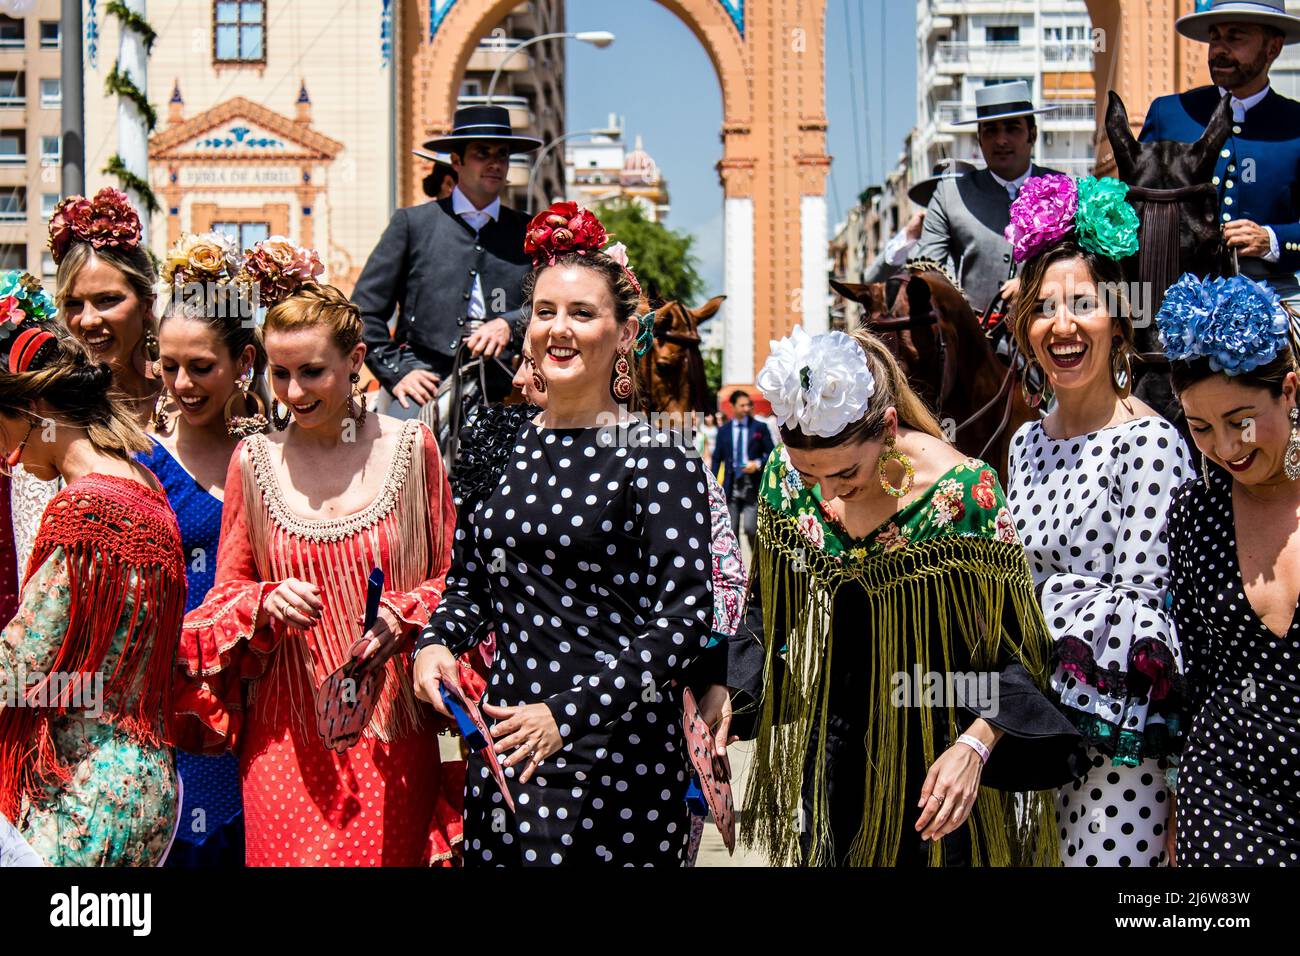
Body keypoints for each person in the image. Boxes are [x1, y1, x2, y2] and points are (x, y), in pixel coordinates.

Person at [413, 202, 714, 866]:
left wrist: (567, 715)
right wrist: (434, 647)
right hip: (507, 754)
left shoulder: (657, 457)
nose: (558, 329)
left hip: (618, 761)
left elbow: (687, 619)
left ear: (624, 332)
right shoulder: (495, 445)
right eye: (545, 312)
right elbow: (469, 588)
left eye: (582, 314)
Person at [743, 325, 1082, 867]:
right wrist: (721, 696)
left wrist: (975, 745)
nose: (826, 495)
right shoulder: (787, 478)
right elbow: (766, 612)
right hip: (835, 747)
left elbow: (1022, 656)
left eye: (846, 473)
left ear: (890, 427)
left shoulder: (964, 494)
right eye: (811, 476)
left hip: (939, 752)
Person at [176, 268, 468, 866]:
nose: (292, 391)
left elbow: (455, 583)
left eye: (312, 371)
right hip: (282, 741)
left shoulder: (413, 450)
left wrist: (404, 618)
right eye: (279, 373)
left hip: (391, 737)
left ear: (356, 359)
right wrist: (263, 601)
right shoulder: (252, 461)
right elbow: (223, 595)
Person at [1004, 175, 1193, 866]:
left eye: (1083, 304)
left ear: (1118, 316)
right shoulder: (1025, 444)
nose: (1062, 326)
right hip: (1029, 737)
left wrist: (1031, 615)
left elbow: (1142, 615)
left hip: (1118, 753)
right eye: (1042, 308)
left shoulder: (1150, 443)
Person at [0, 286, 185, 866]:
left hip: (80, 793)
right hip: (147, 784)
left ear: (35, 414)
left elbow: (21, 667)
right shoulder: (146, 487)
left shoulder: (86, 507)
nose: (5, 455)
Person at [1157, 271, 1300, 866]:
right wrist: (1175, 808)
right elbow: (1196, 672)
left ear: (1290, 389)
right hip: (1227, 806)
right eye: (1199, 428)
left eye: (1239, 420)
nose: (1225, 446)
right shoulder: (1192, 516)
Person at [143, 233, 269, 867]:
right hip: (176, 694)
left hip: (267, 691)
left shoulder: (278, 456)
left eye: (201, 366)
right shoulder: (142, 463)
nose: (182, 383)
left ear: (243, 362)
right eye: (169, 366)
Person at [353, 105, 541, 412]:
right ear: (456, 160)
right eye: (483, 153)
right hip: (422, 383)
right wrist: (397, 372)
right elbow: (364, 312)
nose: (495, 163)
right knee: (405, 454)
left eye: (502, 154)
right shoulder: (412, 224)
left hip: (505, 383)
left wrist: (509, 325)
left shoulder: (528, 231)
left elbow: (550, 306)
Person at [1141, 0, 1300, 298]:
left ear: (1273, 48)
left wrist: (1272, 239)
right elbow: (1132, 210)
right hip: (1175, 297)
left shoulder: (1295, 124)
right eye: (1215, 37)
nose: (1219, 49)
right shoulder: (1170, 113)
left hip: (1275, 296)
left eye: (1236, 37)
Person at [914, 81, 1064, 314]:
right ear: (979, 139)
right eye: (991, 130)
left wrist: (1035, 283)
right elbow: (925, 268)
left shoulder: (1063, 190)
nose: (1001, 140)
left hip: (1050, 336)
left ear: (1032, 135)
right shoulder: (949, 195)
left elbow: (1082, 264)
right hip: (974, 340)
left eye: (1013, 128)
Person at [862, 161, 975, 284]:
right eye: (941, 198)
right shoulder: (915, 251)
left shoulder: (985, 236)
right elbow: (871, 278)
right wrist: (908, 235)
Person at [713, 390, 775, 554]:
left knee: (751, 528)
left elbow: (772, 453)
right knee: (731, 531)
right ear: (732, 406)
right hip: (731, 485)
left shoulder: (760, 427)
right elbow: (716, 459)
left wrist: (758, 463)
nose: (747, 408)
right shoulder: (723, 430)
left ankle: (757, 564)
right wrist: (711, 483)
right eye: (742, 405)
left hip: (752, 485)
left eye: (749, 404)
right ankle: (737, 567)